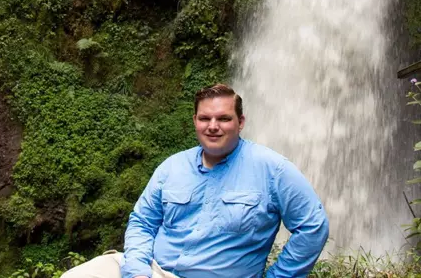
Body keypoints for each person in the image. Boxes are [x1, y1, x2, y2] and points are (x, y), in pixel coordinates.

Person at [62, 83, 329, 278]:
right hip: (155, 271)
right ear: (195, 121)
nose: (213, 126)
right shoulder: (172, 167)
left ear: (241, 121)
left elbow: (313, 227)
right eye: (205, 118)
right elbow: (143, 221)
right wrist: (138, 271)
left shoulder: (274, 169)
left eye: (224, 118)